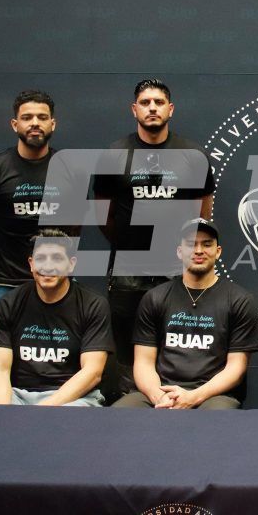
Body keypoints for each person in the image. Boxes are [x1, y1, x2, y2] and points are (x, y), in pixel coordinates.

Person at [93, 79, 215, 392]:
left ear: (170, 109)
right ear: (134, 109)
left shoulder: (192, 154)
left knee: (179, 350)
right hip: (127, 272)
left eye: (159, 102)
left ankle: (178, 403)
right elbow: (102, 213)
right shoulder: (114, 154)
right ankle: (132, 408)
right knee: (127, 357)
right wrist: (128, 243)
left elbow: (202, 212)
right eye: (145, 102)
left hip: (176, 271)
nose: (152, 108)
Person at [113, 219, 258, 409]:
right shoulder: (155, 297)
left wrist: (194, 397)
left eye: (206, 244)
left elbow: (236, 368)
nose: (198, 250)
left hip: (213, 395)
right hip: (161, 391)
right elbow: (143, 363)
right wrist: (159, 397)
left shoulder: (239, 300)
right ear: (179, 251)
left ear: (218, 251)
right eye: (191, 244)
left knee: (218, 415)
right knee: (121, 411)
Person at [0, 229, 113, 406]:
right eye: (41, 258)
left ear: (71, 264)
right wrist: (4, 412)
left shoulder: (93, 305)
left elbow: (92, 372)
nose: (48, 266)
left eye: (57, 259)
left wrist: (41, 412)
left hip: (73, 398)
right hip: (17, 395)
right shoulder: (8, 304)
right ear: (31, 264)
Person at [0, 90, 61, 328]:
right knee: (2, 349)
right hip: (4, 285)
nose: (35, 123)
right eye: (27, 117)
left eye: (42, 117)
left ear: (52, 124)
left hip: (56, 283)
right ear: (14, 124)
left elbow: (74, 228)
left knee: (55, 350)